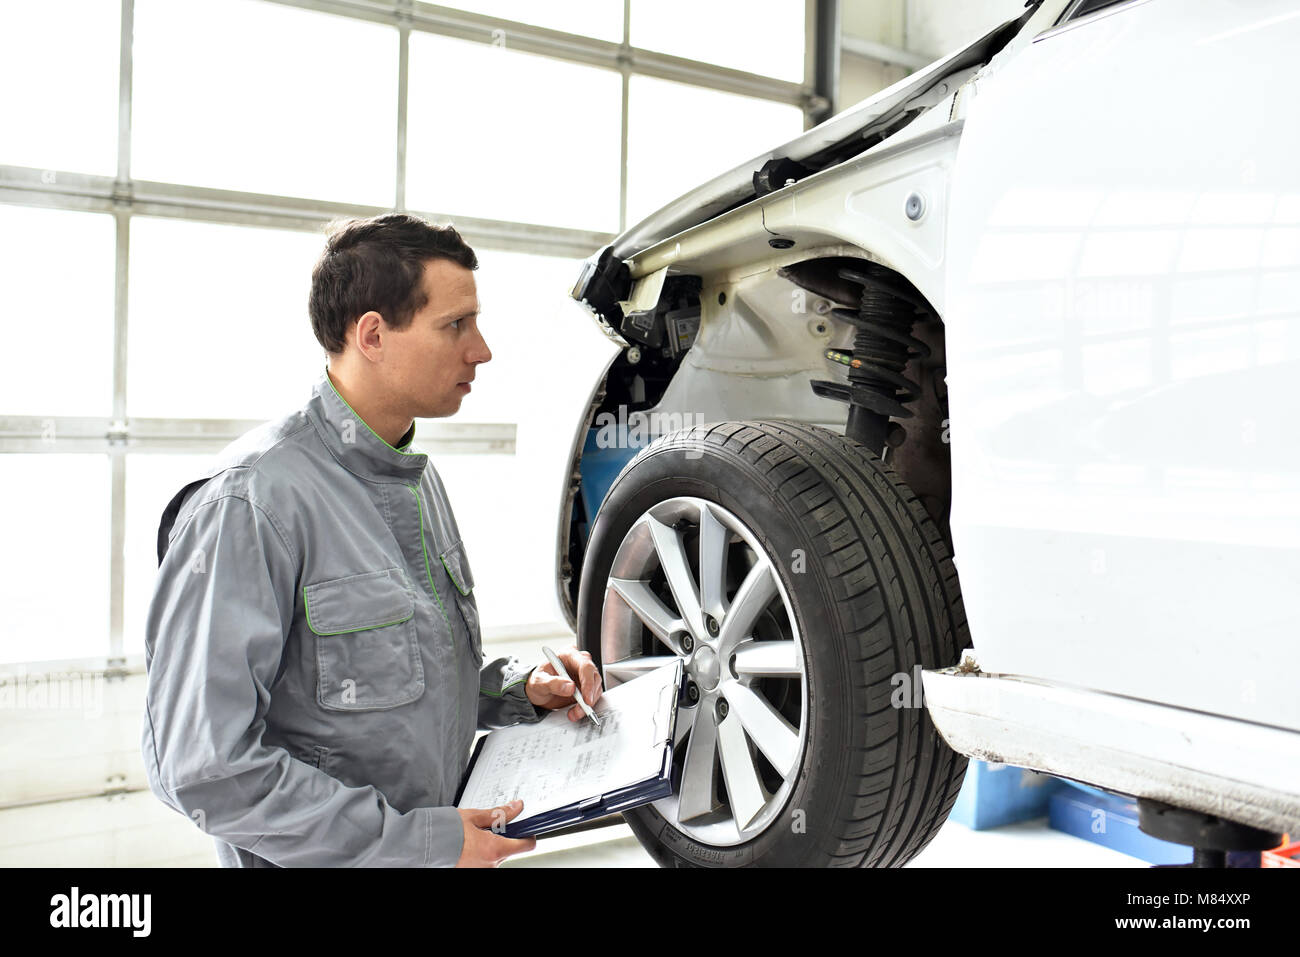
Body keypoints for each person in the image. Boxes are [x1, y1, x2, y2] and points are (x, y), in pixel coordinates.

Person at [141, 213, 601, 867]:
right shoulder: (250, 503)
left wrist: (517, 692)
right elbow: (204, 767)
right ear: (373, 334)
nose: (482, 349)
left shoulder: (415, 479)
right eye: (455, 325)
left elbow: (382, 687)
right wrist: (416, 843)